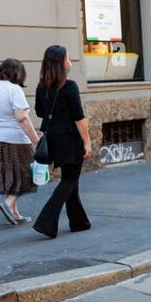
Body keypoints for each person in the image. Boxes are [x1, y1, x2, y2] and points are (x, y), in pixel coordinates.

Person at [32, 45, 92, 239]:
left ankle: (78, 221)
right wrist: (87, 141)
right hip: (70, 138)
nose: (70, 62)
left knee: (70, 179)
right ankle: (46, 222)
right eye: (68, 58)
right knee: (69, 179)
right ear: (61, 62)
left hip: (53, 138)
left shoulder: (42, 87)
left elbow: (40, 112)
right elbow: (78, 116)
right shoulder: (70, 86)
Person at [0, 58, 41, 225]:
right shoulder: (13, 89)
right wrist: (35, 140)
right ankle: (8, 204)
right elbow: (22, 117)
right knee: (26, 174)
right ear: (18, 73)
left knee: (9, 176)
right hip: (15, 139)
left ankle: (14, 212)